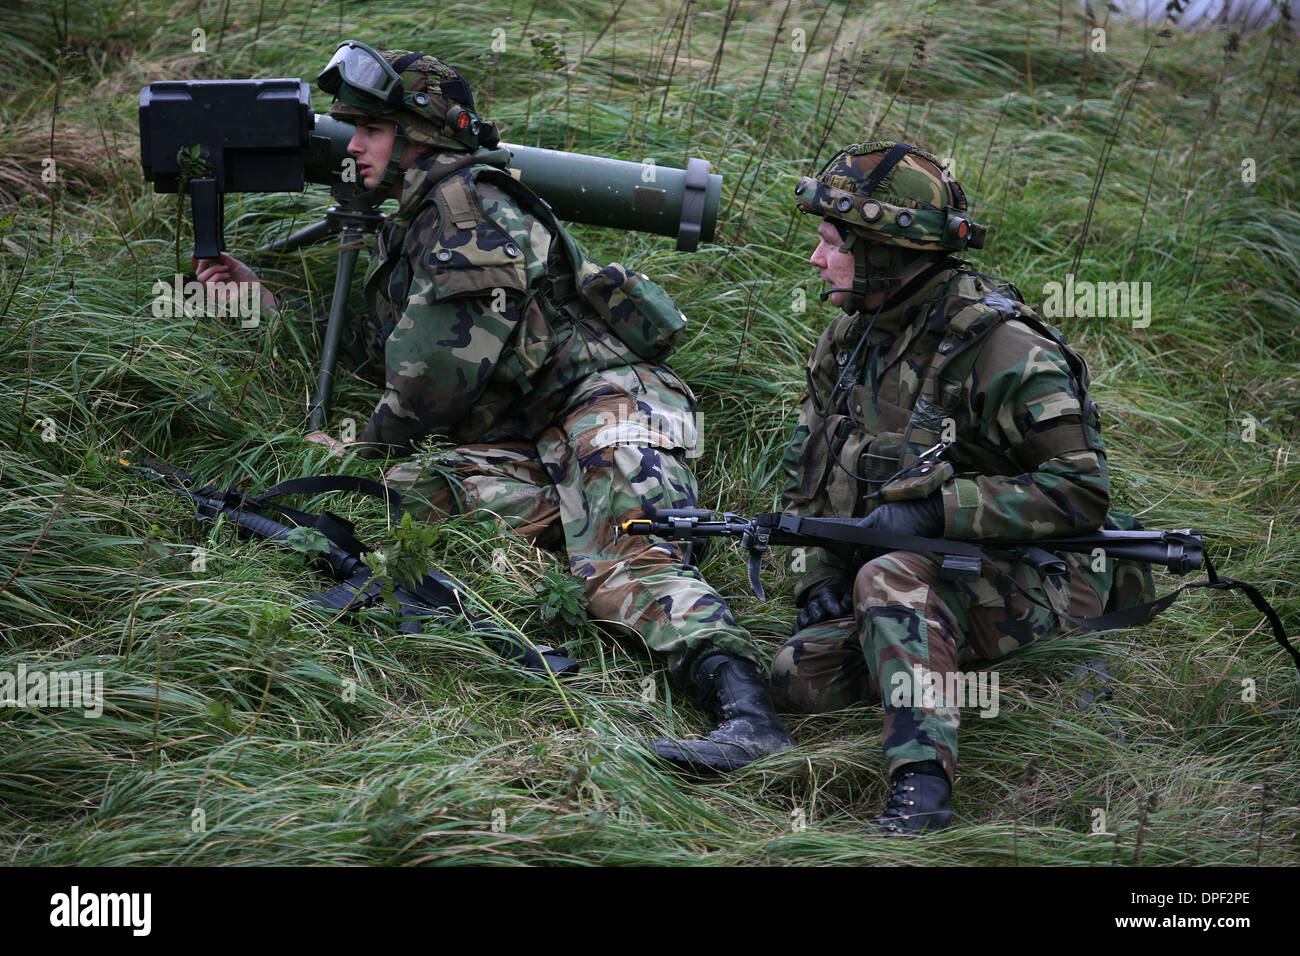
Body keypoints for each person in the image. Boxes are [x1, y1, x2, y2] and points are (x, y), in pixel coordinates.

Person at [193, 40, 794, 772]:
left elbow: (431, 383)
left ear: (420, 138)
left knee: (636, 543)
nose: (351, 147)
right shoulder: (419, 218)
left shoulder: (465, 216)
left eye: (370, 131)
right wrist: (272, 303)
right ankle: (579, 543)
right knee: (406, 500)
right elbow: (391, 342)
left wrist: (360, 446)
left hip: (607, 399)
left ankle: (747, 717)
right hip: (526, 430)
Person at [770, 141, 1130, 832]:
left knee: (888, 578)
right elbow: (807, 469)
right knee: (795, 675)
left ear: (884, 249)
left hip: (1040, 574)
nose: (816, 261)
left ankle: (921, 787)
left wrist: (940, 509)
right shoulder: (848, 341)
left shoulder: (1005, 349)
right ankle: (947, 670)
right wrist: (816, 574)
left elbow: (1080, 493)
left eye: (829, 243)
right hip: (936, 578)